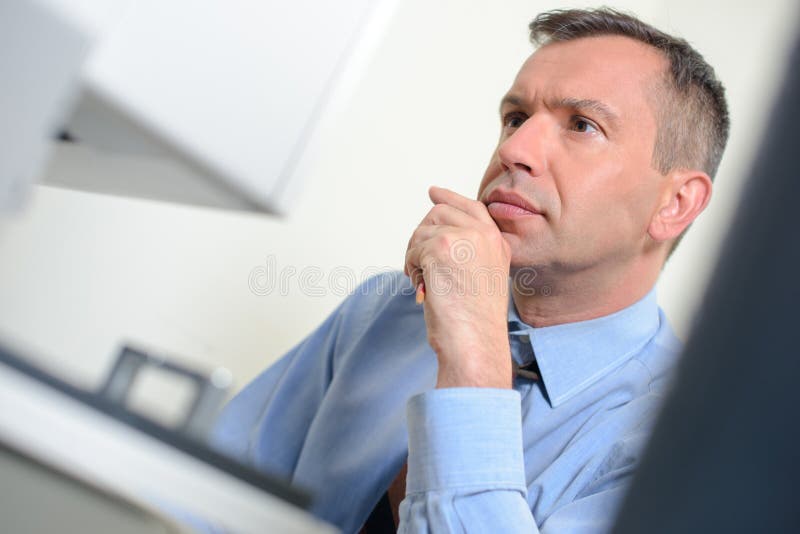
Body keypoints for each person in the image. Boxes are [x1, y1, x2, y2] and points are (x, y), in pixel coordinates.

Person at [212, 7, 729, 534]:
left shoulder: (683, 446)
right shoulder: (385, 310)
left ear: (676, 203)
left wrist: (475, 362)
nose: (514, 150)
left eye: (581, 125)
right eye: (516, 117)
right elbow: (208, 500)